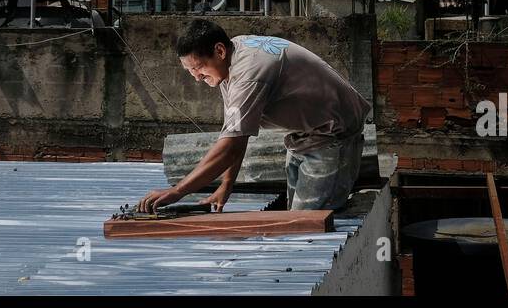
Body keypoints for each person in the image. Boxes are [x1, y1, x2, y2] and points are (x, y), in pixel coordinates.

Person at [137, 18, 369, 213]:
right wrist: (226, 185)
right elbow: (237, 132)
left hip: (333, 134)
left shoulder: (249, 74)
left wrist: (177, 191)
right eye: (190, 72)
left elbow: (231, 146)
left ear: (219, 50)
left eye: (198, 68)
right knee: (295, 217)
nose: (196, 77)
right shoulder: (231, 60)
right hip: (304, 136)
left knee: (308, 225)